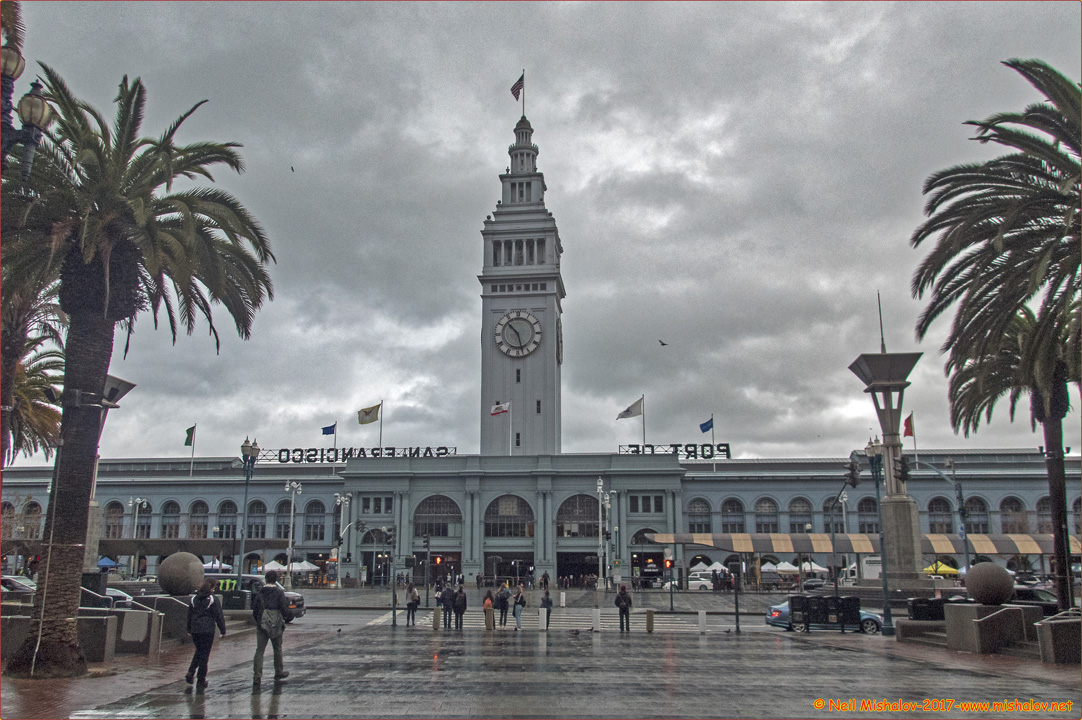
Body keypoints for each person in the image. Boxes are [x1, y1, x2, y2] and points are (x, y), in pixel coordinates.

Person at [252, 570, 294, 686]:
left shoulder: (260, 592)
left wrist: (259, 621)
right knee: (277, 648)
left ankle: (257, 676)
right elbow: (284, 608)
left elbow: (255, 610)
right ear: (276, 580)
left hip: (262, 624)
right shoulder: (279, 592)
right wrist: (288, 616)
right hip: (275, 624)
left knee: (259, 650)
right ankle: (279, 672)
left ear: (266, 579)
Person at [186, 578, 226, 688]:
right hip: (207, 629)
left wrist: (189, 629)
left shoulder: (194, 598)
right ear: (213, 587)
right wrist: (223, 630)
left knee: (199, 651)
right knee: (204, 655)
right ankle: (201, 679)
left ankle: (190, 672)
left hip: (195, 629)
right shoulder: (212, 599)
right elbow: (218, 615)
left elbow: (190, 615)